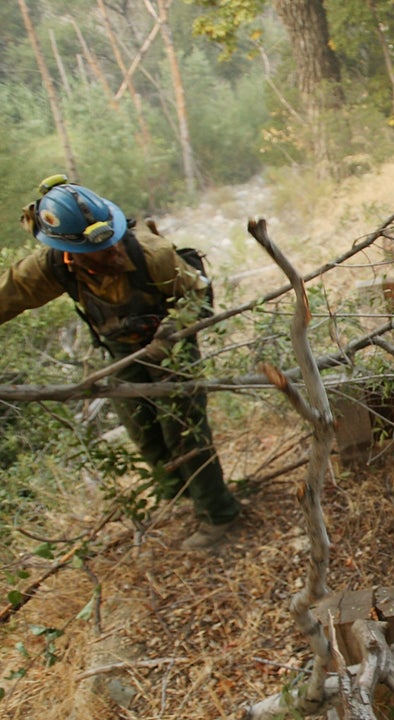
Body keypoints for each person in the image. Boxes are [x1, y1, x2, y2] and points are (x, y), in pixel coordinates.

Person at [0, 176, 240, 549]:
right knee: (140, 427)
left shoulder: (152, 253)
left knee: (184, 429)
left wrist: (172, 332)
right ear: (67, 249)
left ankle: (218, 513)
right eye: (96, 250)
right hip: (119, 348)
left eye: (111, 242)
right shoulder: (51, 265)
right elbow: (9, 295)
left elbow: (198, 296)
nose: (110, 252)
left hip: (170, 346)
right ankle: (177, 494)